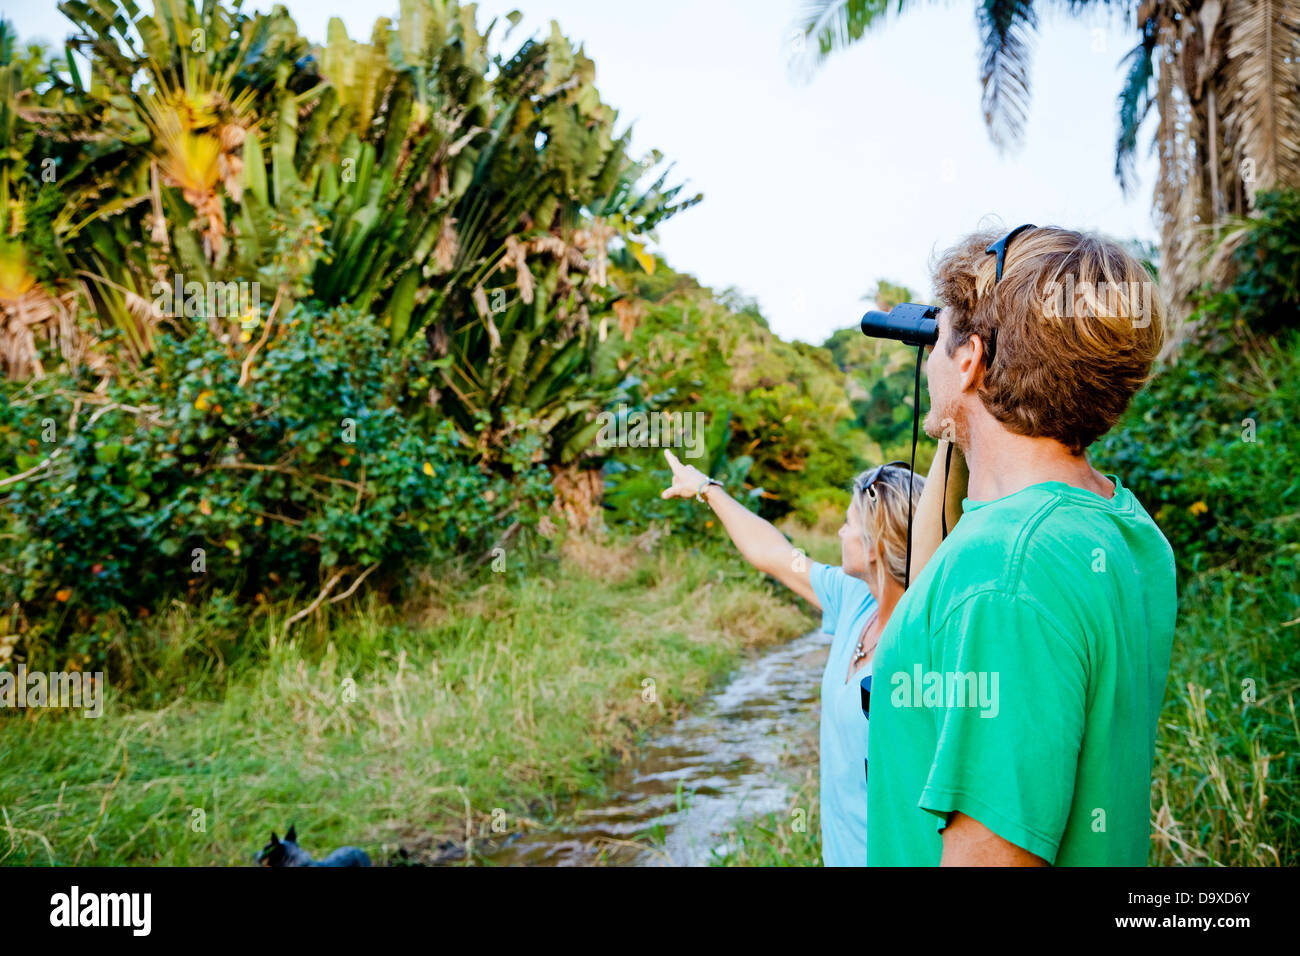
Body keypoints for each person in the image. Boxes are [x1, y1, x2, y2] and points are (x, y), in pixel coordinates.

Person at [868, 225, 1177, 866]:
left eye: (940, 337)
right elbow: (933, 597)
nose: (929, 358)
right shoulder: (1119, 526)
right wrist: (966, 426)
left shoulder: (1006, 571)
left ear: (970, 360)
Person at [659, 449, 924, 865]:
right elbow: (775, 554)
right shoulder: (856, 599)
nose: (839, 532)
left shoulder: (921, 649)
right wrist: (707, 490)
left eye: (849, 524)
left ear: (875, 546)